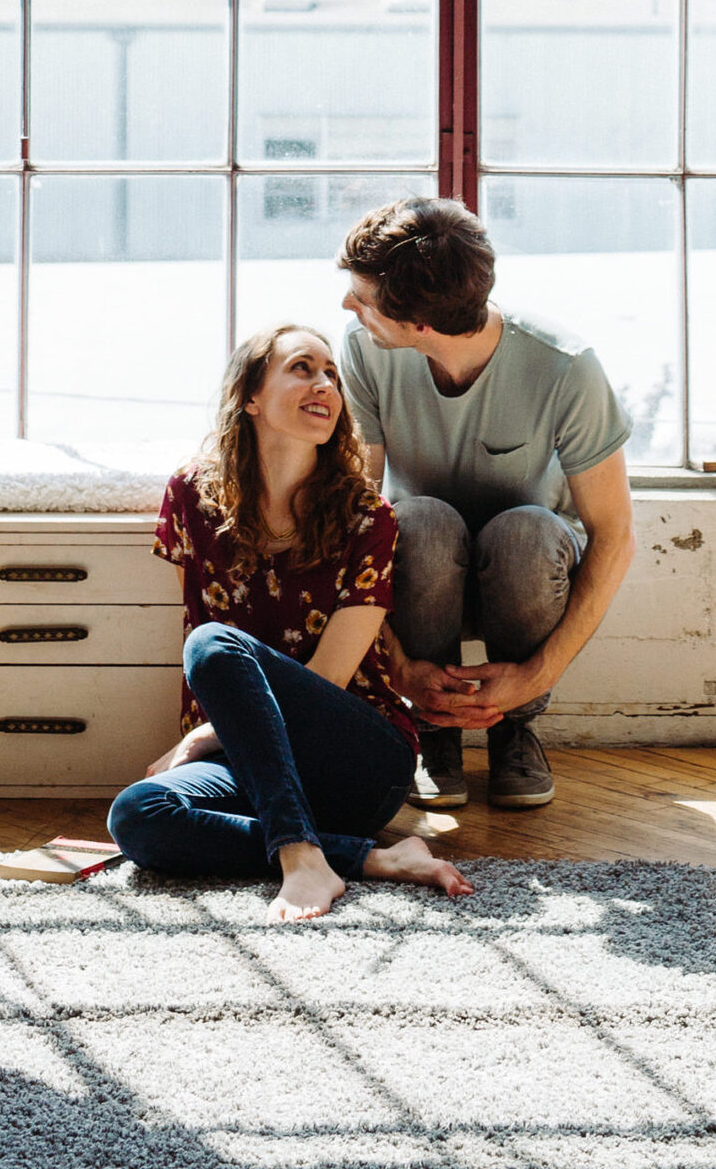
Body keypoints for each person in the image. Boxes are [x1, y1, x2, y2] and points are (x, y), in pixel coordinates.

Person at [108, 322, 476, 923]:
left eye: (331, 373)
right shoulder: (191, 498)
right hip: (250, 760)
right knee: (138, 816)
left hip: (358, 759)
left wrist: (203, 735)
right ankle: (373, 860)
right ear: (250, 397)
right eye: (303, 368)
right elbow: (195, 604)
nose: (325, 383)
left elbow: (325, 678)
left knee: (212, 646)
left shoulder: (367, 516)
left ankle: (304, 857)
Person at [338, 197, 636, 814]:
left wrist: (537, 676)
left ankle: (513, 729)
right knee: (418, 517)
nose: (348, 306)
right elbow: (359, 519)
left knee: (525, 531)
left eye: (362, 297)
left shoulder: (566, 367)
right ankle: (436, 730)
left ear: (419, 323)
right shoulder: (364, 350)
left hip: (529, 574)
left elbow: (615, 536)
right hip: (421, 569)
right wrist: (397, 666)